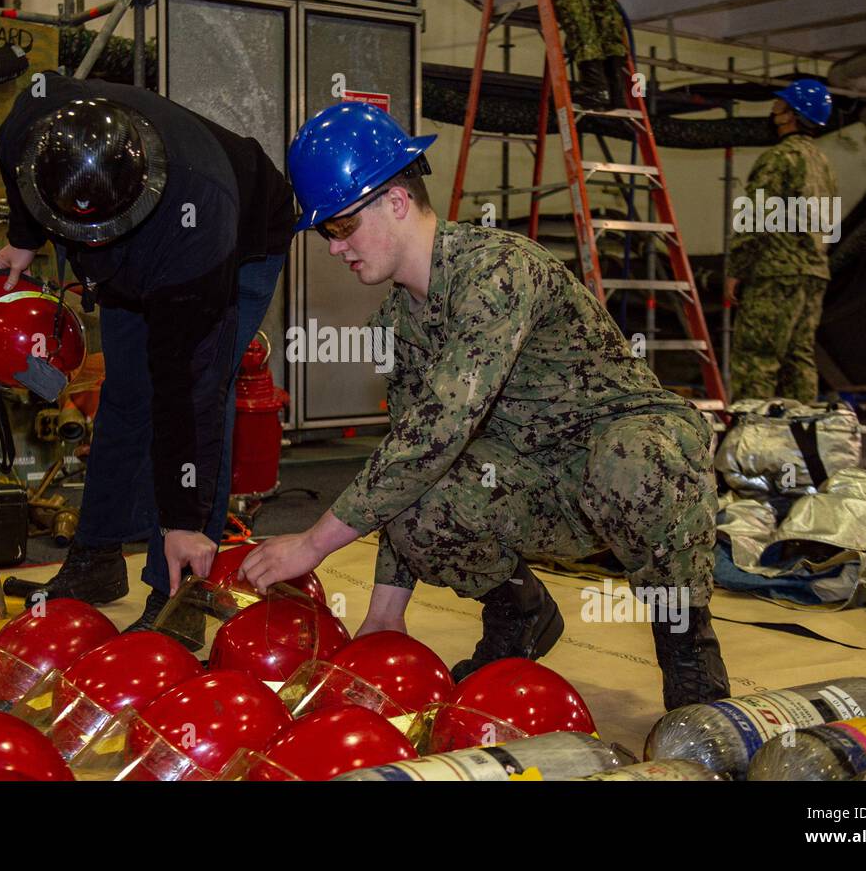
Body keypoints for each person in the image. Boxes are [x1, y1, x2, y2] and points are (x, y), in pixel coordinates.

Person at [241, 102, 729, 710]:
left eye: (339, 226)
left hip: (629, 464)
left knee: (632, 460)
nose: (335, 249)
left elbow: (441, 429)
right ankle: (519, 612)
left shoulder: (499, 271)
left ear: (396, 201)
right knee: (419, 503)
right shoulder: (398, 322)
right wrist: (384, 614)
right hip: (539, 484)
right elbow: (408, 458)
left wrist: (314, 543)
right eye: (325, 233)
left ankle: (688, 652)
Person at [0, 71, 296, 631]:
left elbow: (191, 394)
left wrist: (181, 517)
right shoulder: (30, 130)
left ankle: (180, 588)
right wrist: (25, 238)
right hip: (141, 241)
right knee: (128, 391)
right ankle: (96, 559)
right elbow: (13, 165)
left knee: (194, 393)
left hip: (243, 236)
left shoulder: (195, 228)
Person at [726, 78, 837, 404]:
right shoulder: (823, 163)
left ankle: (750, 441)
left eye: (780, 104)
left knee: (756, 358)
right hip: (814, 275)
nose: (774, 110)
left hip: (776, 274)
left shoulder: (779, 158)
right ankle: (802, 435)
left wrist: (737, 268)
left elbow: (757, 216)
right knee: (798, 358)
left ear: (790, 114)